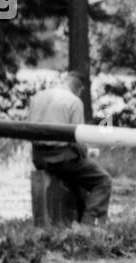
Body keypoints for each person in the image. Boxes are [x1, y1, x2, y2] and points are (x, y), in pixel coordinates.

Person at [26, 72, 112, 227]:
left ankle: (74, 220)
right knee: (102, 180)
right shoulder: (74, 101)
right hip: (60, 159)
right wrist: (88, 153)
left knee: (79, 175)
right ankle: (88, 225)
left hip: (38, 157)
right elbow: (78, 140)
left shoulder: (38, 97)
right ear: (80, 89)